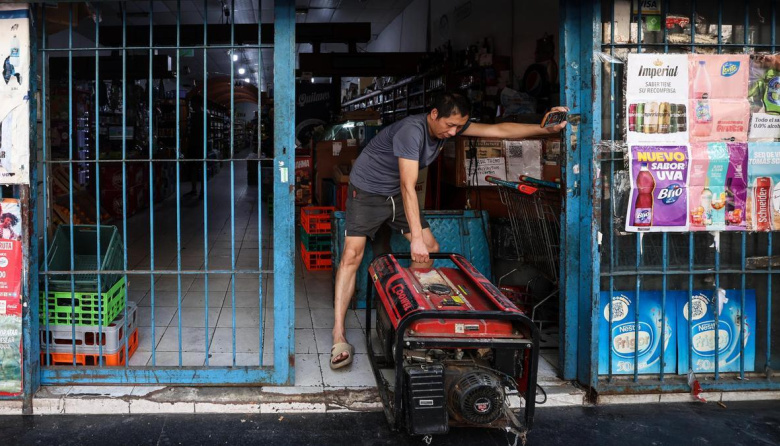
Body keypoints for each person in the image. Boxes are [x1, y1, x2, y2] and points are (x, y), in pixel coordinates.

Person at [330, 92, 568, 369]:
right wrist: (414, 238)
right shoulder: (411, 131)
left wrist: (543, 128)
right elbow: (409, 186)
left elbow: (498, 129)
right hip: (368, 192)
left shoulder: (451, 126)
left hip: (395, 195)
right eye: (450, 126)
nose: (453, 132)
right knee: (352, 256)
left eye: (459, 127)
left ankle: (409, 312)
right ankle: (339, 334)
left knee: (430, 249)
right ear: (433, 114)